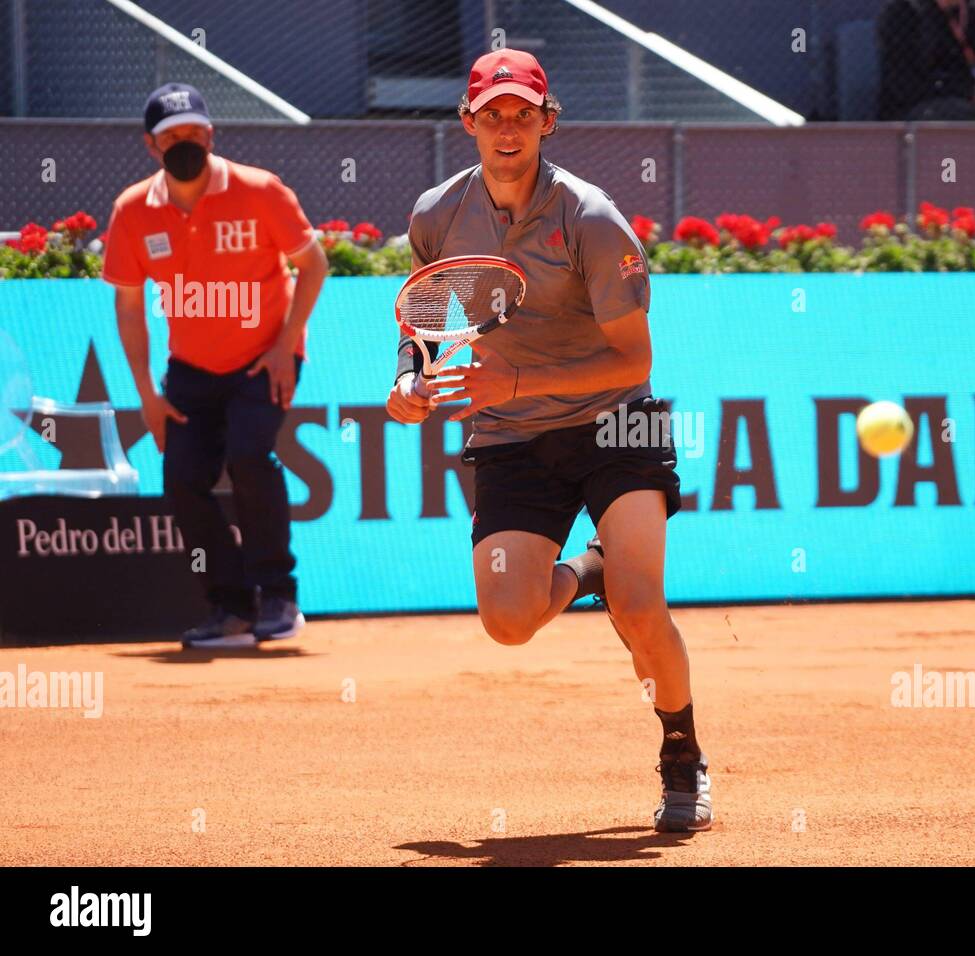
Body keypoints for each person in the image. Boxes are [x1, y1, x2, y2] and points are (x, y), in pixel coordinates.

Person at [384, 49, 712, 832]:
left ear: (547, 122)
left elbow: (635, 357)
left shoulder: (591, 218)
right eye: (491, 114)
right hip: (510, 434)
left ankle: (682, 756)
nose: (507, 129)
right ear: (467, 122)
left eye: (522, 115)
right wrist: (409, 380)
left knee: (641, 607)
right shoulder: (435, 214)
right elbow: (429, 320)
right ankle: (589, 567)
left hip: (616, 423)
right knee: (508, 621)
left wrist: (519, 384)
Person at [102, 83, 328, 646]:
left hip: (264, 359)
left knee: (251, 455)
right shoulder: (132, 211)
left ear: (211, 134)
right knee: (181, 480)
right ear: (151, 145)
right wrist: (148, 397)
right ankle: (230, 607)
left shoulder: (260, 190)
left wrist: (285, 343)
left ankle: (278, 595)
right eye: (171, 136)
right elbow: (130, 308)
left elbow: (313, 264)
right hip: (190, 371)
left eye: (194, 132)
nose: (185, 142)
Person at [878, 0, 975, 121]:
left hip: (963, 96)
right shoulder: (901, 13)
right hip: (911, 107)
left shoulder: (974, 12)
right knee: (966, 113)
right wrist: (967, 92)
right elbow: (905, 85)